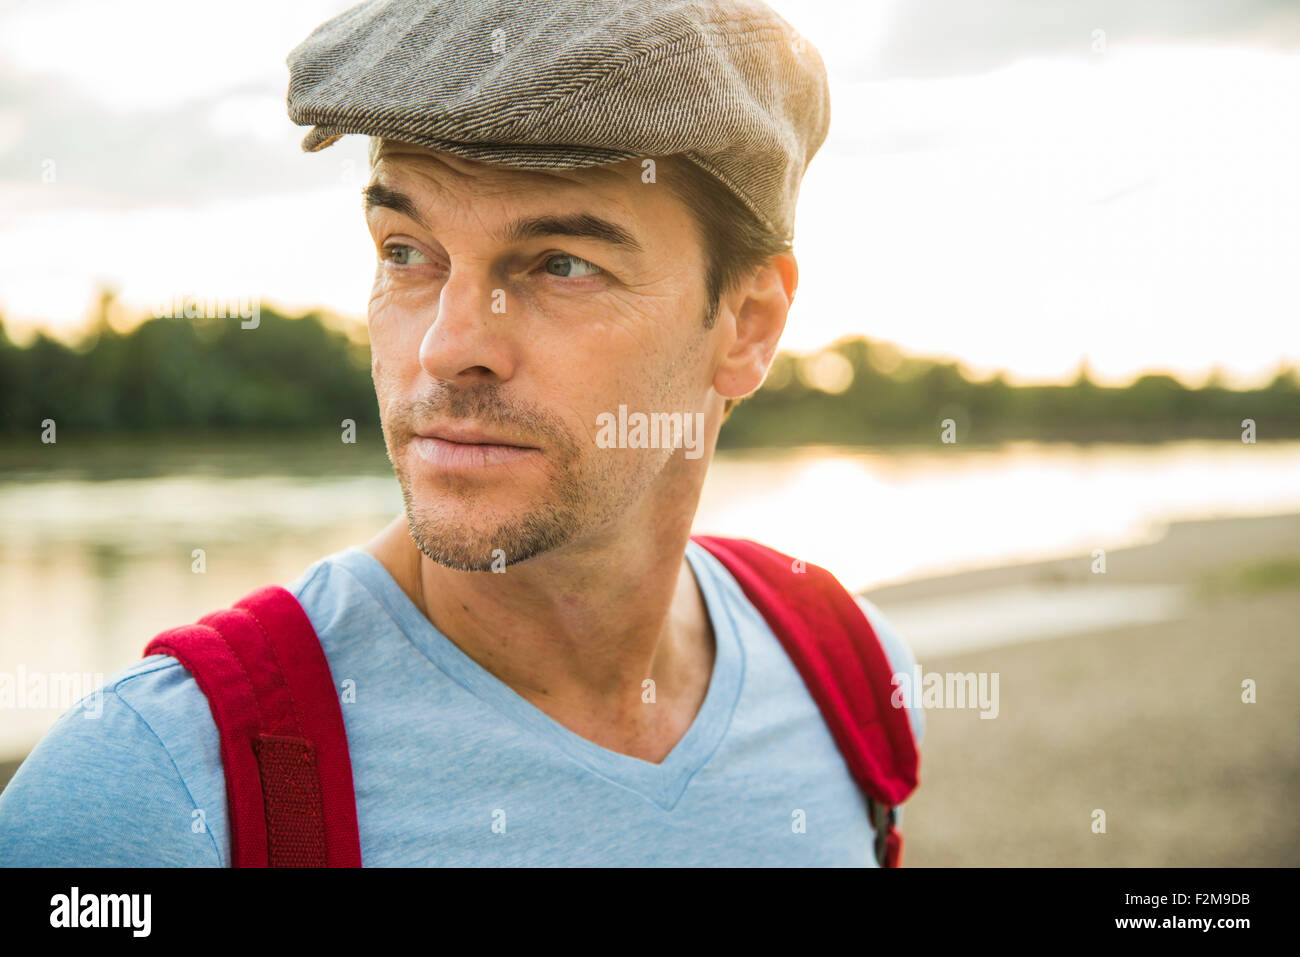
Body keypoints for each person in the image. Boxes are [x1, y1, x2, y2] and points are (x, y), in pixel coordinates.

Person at [0, 0, 922, 866]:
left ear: (748, 324)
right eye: (407, 254)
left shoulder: (851, 677)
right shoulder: (150, 794)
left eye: (563, 265)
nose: (448, 348)